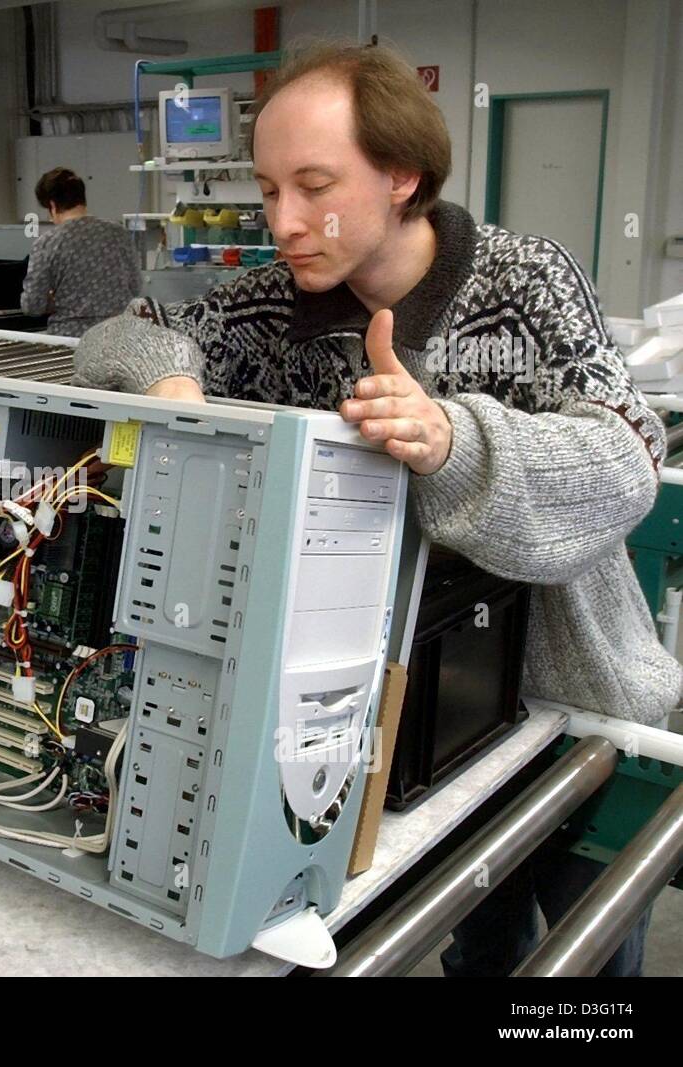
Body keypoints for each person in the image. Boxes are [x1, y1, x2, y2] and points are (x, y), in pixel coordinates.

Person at [72, 42, 681, 976]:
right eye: (268, 189)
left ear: (402, 176)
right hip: (390, 711)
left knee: (585, 963)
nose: (283, 221)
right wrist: (171, 381)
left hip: (563, 703)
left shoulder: (524, 281)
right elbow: (119, 335)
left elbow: (626, 459)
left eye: (314, 186)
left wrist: (452, 441)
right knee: (477, 943)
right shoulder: (270, 305)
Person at [20, 167, 141, 336]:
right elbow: (135, 287)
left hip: (71, 339)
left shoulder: (47, 243)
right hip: (118, 337)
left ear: (52, 205)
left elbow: (32, 305)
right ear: (82, 199)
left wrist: (53, 299)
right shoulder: (119, 233)